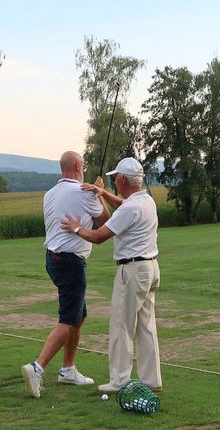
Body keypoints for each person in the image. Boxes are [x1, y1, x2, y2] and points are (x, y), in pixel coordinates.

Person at [61, 157, 162, 395]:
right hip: (150, 269)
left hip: (132, 271)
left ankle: (119, 380)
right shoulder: (146, 200)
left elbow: (98, 236)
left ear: (124, 179)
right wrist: (101, 193)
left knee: (121, 325)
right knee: (146, 326)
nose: (114, 180)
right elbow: (123, 205)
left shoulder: (130, 207)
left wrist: (76, 227)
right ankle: (151, 379)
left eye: (116, 177)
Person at [21, 151, 113, 398]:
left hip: (53, 260)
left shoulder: (49, 194)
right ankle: (37, 367)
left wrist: (96, 191)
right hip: (71, 262)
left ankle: (68, 369)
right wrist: (99, 193)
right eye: (83, 164)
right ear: (78, 166)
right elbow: (107, 223)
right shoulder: (85, 192)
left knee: (79, 315)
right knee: (69, 319)